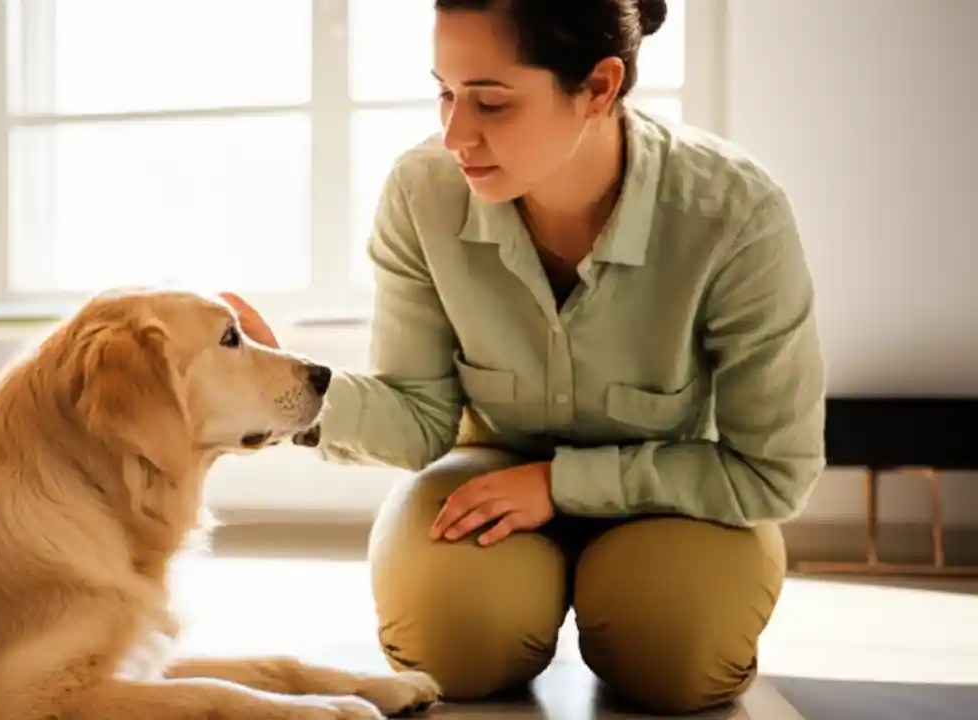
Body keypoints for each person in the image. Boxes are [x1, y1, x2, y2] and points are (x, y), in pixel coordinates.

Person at [223, 0, 826, 713]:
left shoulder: (734, 214)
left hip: (677, 486)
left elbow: (773, 472)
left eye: (490, 101)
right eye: (445, 93)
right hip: (491, 472)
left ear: (600, 88)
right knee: (454, 646)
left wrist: (560, 484)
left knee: (675, 652)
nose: (454, 134)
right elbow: (419, 417)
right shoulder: (422, 194)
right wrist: (286, 388)